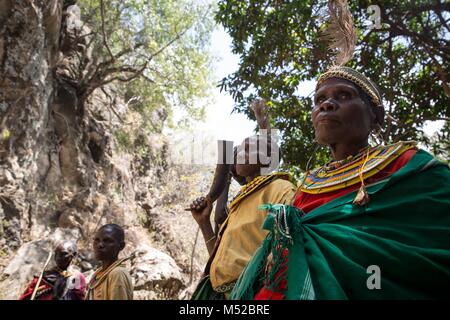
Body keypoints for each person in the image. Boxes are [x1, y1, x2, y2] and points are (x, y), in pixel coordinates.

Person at [230, 65, 450, 300]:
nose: (326, 105)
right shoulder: (307, 184)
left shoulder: (409, 165)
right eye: (319, 100)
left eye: (344, 95)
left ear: (375, 114)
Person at [190, 100, 297, 299]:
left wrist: (264, 124)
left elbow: (286, 252)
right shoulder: (239, 203)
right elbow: (220, 264)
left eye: (247, 148)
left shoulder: (280, 189)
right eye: (239, 149)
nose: (239, 153)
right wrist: (204, 223)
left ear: (266, 159)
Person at [19, 241, 86, 300]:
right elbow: (26, 297)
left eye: (63, 254)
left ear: (73, 255)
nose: (58, 257)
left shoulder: (77, 278)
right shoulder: (43, 277)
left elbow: (80, 297)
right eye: (56, 254)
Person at [85, 224, 133, 300]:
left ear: (121, 246)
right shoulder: (98, 273)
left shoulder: (117, 273)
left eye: (107, 241)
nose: (100, 245)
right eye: (97, 240)